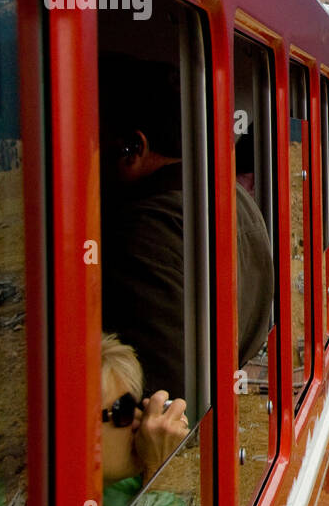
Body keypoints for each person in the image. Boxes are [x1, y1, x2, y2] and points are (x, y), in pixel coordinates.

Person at [100, 55, 274, 398]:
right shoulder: (237, 198)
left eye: (98, 141)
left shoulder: (141, 232)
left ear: (133, 147)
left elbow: (166, 390)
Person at [100, 333, 189, 506]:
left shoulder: (119, 484)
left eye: (136, 403)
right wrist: (158, 470)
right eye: (122, 410)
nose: (141, 417)